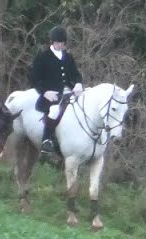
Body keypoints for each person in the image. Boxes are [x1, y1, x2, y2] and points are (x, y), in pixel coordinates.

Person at [29, 25, 84, 157]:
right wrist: (45, 92)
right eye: (58, 42)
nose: (61, 45)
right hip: (51, 96)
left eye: (62, 43)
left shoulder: (68, 57)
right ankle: (46, 140)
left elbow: (75, 74)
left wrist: (78, 84)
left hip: (69, 93)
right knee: (54, 111)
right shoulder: (43, 57)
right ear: (52, 42)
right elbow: (34, 79)